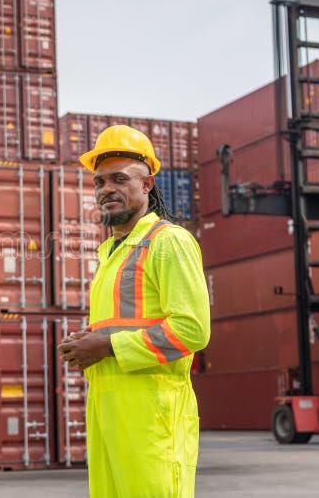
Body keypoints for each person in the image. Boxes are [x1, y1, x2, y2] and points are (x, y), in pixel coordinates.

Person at [58, 125, 210, 497]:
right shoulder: (110, 253)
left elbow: (192, 330)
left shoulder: (168, 241)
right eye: (100, 182)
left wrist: (106, 347)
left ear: (147, 184)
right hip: (107, 413)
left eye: (120, 179)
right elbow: (121, 325)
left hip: (152, 417)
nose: (106, 189)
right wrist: (87, 343)